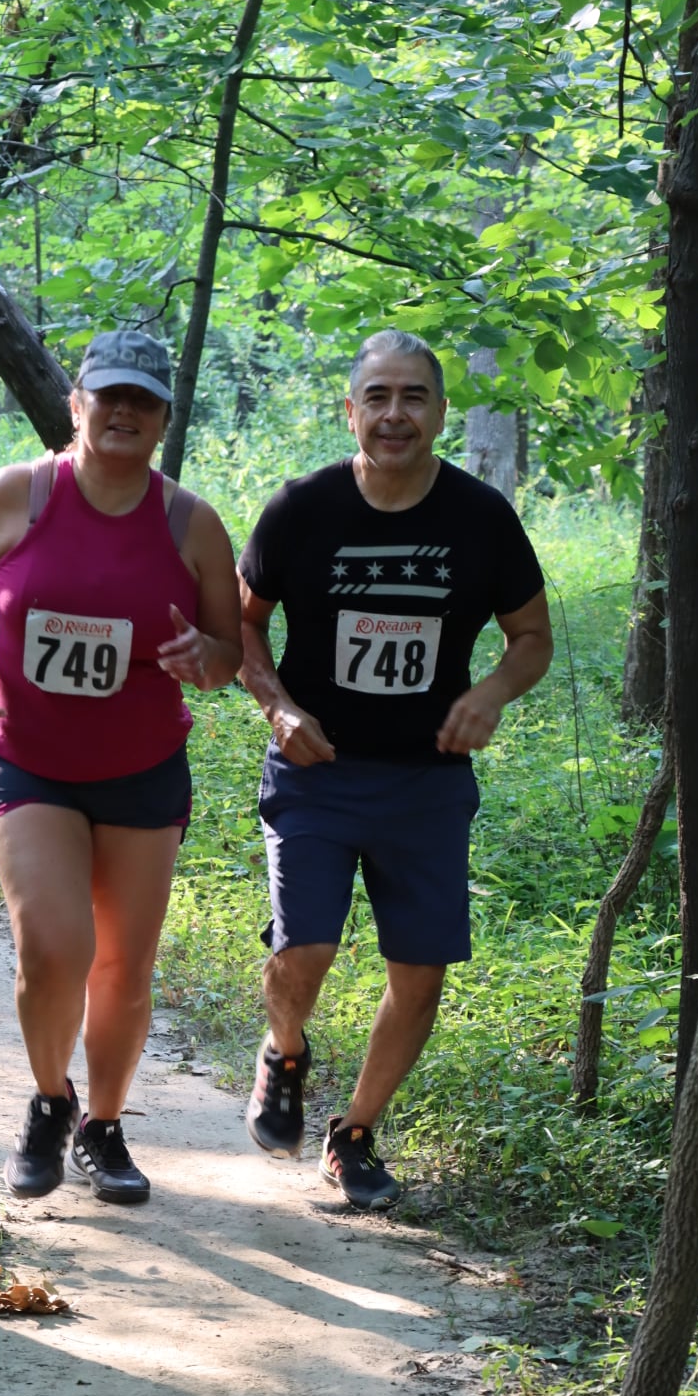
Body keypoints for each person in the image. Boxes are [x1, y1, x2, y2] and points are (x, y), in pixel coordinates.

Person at [0, 330, 241, 1205]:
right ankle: (49, 1103)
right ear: (78, 404)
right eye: (111, 397)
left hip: (142, 769)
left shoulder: (191, 523)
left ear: (167, 418)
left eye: (145, 401)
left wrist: (197, 658)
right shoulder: (14, 496)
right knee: (52, 950)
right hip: (32, 763)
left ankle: (104, 1126)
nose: (125, 413)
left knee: (124, 970)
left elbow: (230, 653)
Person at [237, 329, 552, 1210]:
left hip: (426, 780)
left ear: (442, 413)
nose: (395, 414)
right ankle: (284, 1051)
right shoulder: (302, 508)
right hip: (317, 770)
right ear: (351, 411)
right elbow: (242, 624)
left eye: (414, 397)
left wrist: (490, 691)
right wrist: (278, 705)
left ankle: (356, 1134)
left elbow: (531, 638)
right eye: (377, 396)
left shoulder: (480, 517)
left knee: (420, 972)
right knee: (306, 946)